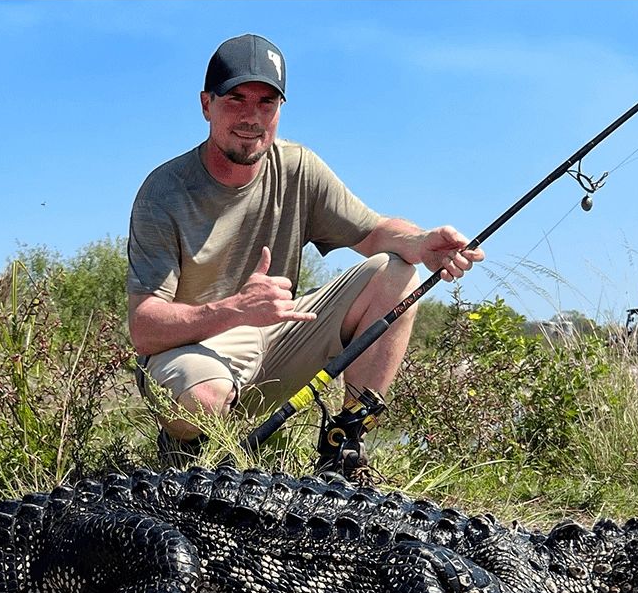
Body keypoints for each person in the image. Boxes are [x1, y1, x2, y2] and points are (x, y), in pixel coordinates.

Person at [127, 33, 484, 476]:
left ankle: (344, 448)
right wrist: (237, 309)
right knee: (205, 397)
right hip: (192, 351)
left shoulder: (298, 166)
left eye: (267, 103)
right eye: (236, 99)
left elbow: (373, 232)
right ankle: (188, 448)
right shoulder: (162, 192)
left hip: (277, 334)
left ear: (280, 109)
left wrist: (420, 241)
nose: (252, 117)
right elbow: (144, 329)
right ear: (206, 105)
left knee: (397, 273)